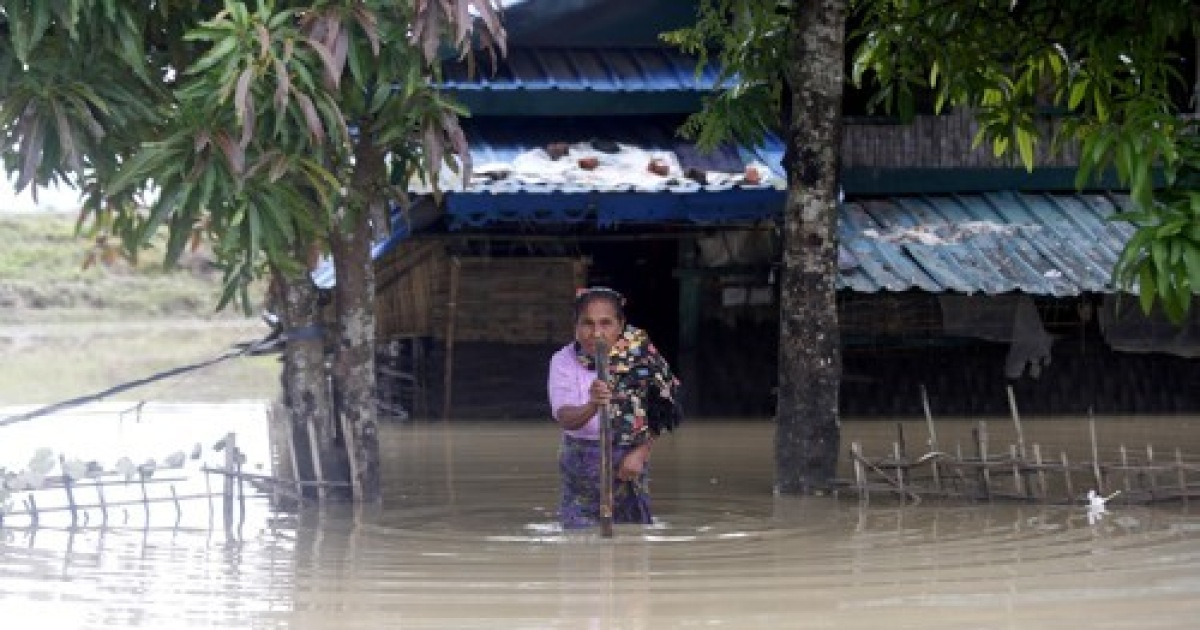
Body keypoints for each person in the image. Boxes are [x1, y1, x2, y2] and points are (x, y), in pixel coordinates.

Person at [547, 286, 682, 529]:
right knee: (579, 539)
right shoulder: (563, 361)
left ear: (620, 325)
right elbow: (565, 417)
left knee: (633, 540)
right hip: (580, 465)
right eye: (587, 323)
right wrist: (592, 404)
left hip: (628, 465)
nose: (596, 333)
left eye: (605, 323)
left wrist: (641, 453)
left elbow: (660, 410)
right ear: (575, 326)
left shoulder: (640, 359)